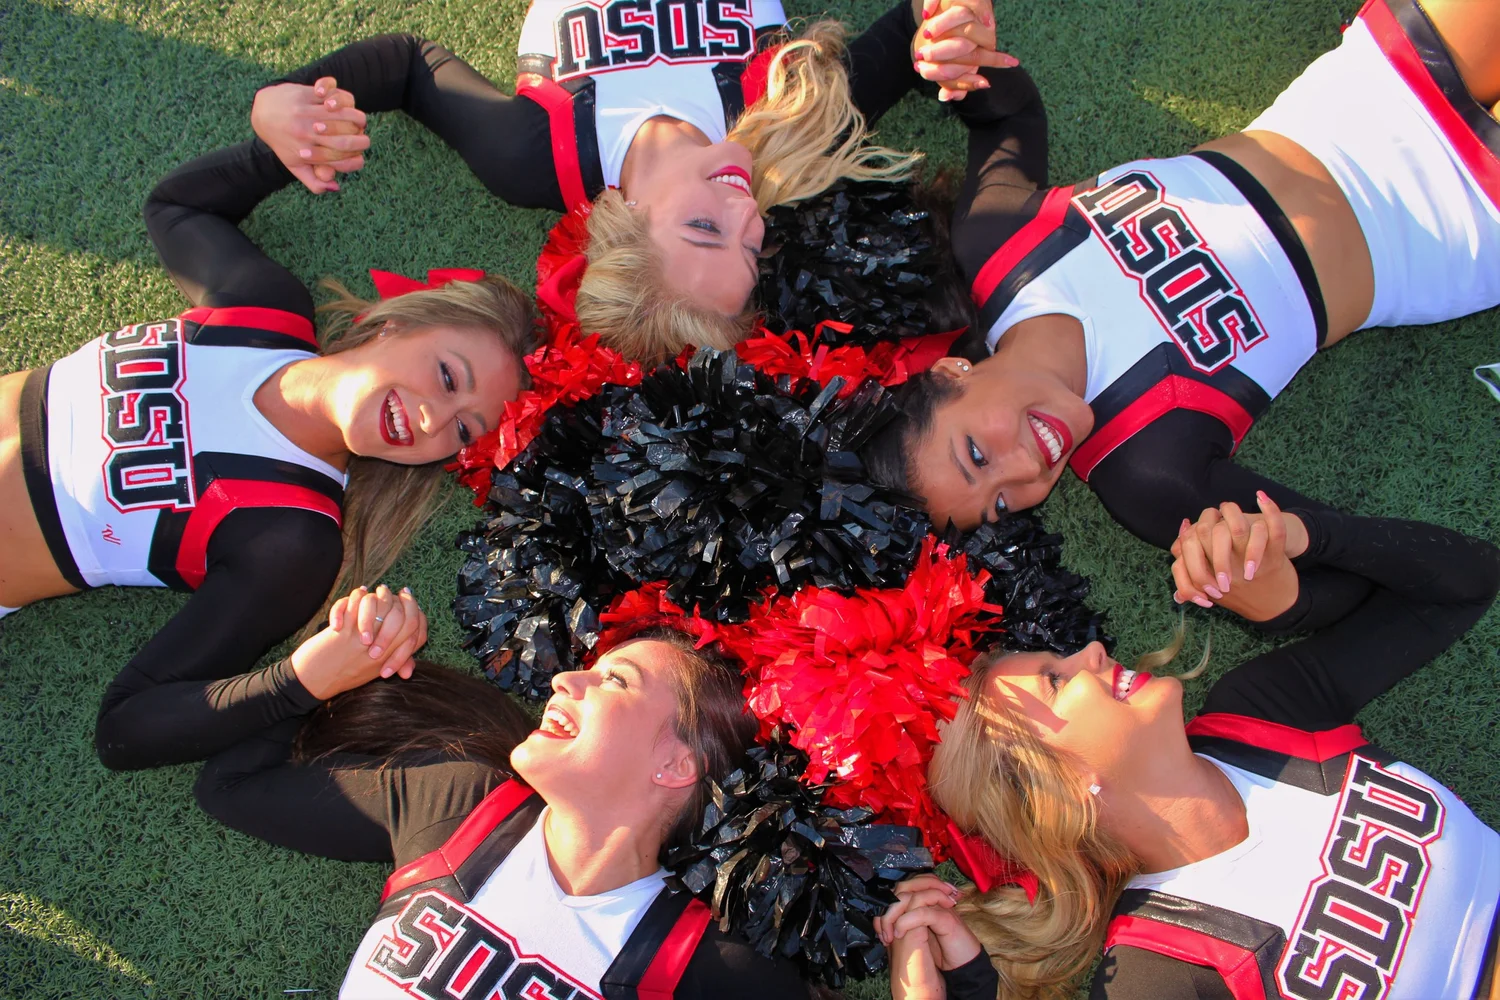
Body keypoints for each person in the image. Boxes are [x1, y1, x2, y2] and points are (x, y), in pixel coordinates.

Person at [864, 0, 1500, 589]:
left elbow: (1007, 112)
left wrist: (952, 41)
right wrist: (1268, 582)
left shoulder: (997, 247)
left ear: (951, 371)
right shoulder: (1148, 470)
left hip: (1372, 83)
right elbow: (1385, 564)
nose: (1026, 472)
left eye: (978, 453)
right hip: (1461, 223)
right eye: (1000, 504)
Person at [0, 138, 534, 768]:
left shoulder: (290, 537)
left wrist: (302, 680)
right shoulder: (261, 313)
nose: (432, 419)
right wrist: (282, 145)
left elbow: (128, 728)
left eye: (464, 431)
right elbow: (174, 208)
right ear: (395, 323)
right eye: (448, 377)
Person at [873, 492, 1500, 1000]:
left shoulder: (1261, 713)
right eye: (1057, 681)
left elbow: (1466, 583)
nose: (1093, 652)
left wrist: (1294, 545)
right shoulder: (1157, 969)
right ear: (1056, 789)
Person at [244, 0, 1013, 362]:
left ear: (624, 216)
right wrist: (949, 29)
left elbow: (410, 65)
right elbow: (917, 23)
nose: (743, 210)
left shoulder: (537, 153)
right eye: (750, 245)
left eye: (703, 227)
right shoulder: (789, 117)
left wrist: (280, 97)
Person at [178, 590, 821, 998]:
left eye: (614, 681)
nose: (566, 680)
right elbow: (231, 786)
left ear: (677, 764)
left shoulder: (703, 963)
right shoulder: (460, 807)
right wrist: (312, 677)